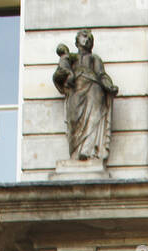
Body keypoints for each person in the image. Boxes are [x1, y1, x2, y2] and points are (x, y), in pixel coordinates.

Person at [53, 29, 118, 163]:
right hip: (76, 90)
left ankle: (88, 151)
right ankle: (76, 152)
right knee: (74, 120)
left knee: (93, 119)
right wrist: (65, 73)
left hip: (94, 89)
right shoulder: (71, 58)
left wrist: (109, 86)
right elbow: (60, 71)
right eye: (84, 37)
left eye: (89, 38)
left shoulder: (95, 58)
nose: (87, 40)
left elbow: (101, 75)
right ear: (76, 42)